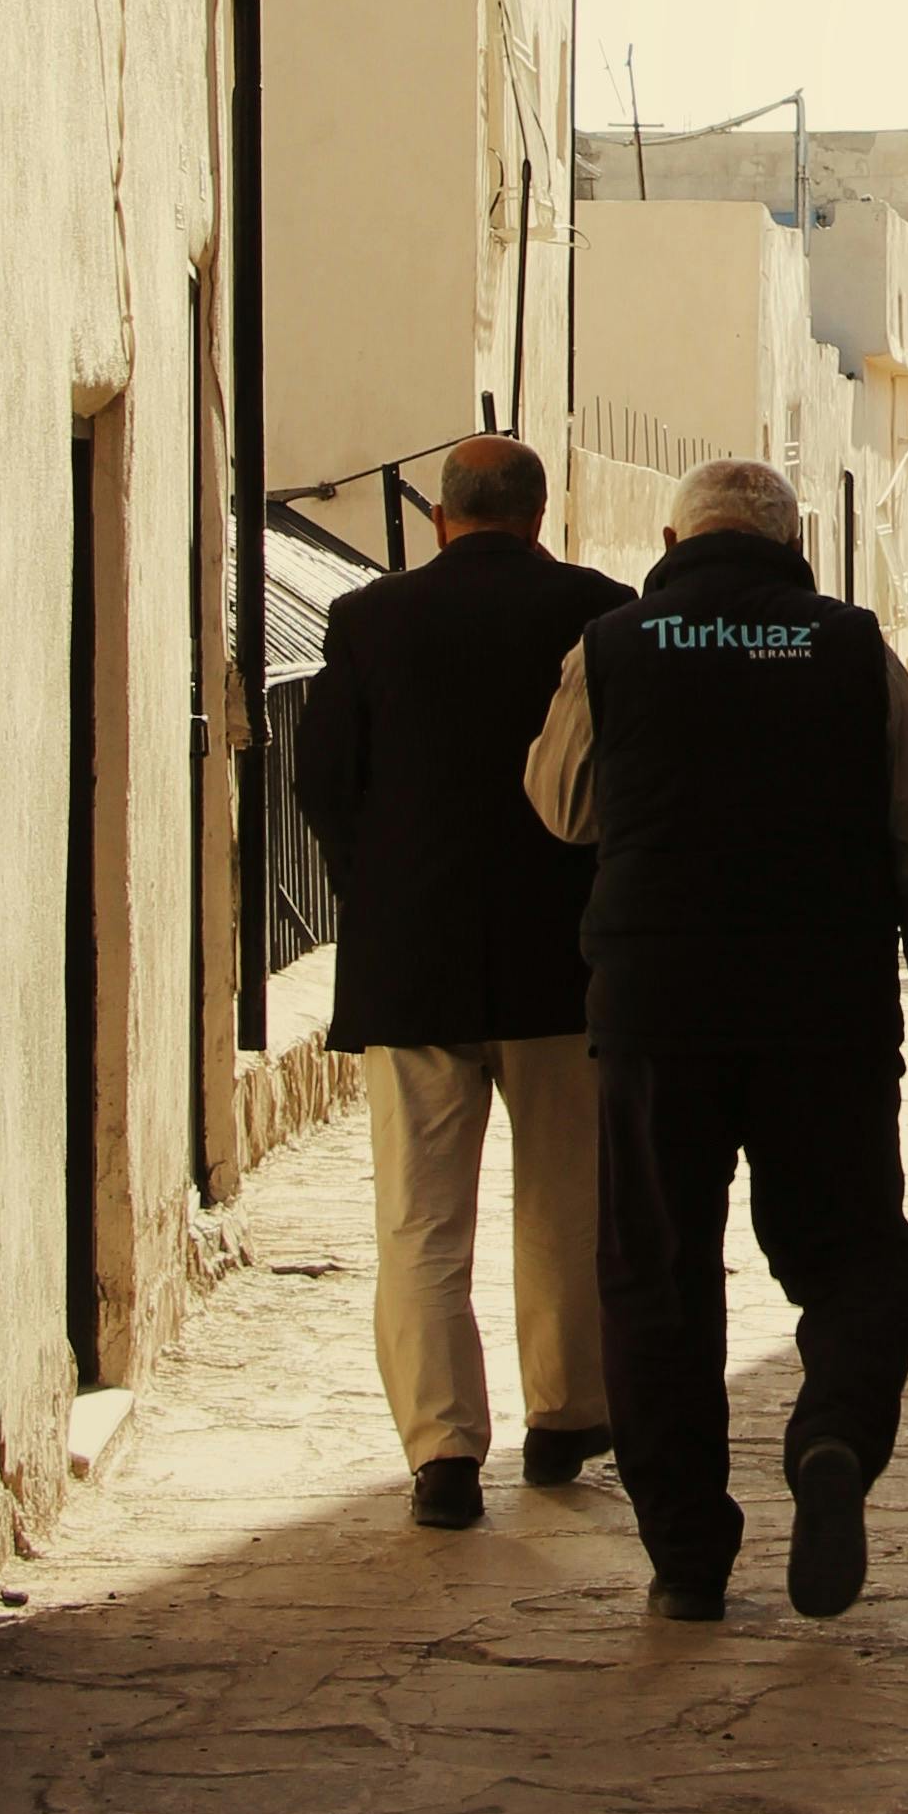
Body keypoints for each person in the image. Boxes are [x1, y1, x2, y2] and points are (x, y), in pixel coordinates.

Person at [525, 458, 908, 1627]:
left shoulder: (613, 646)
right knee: (854, 1258)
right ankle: (831, 1436)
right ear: (794, 544)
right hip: (821, 1009)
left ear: (676, 539)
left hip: (656, 1008)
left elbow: (560, 803)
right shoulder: (853, 651)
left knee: (656, 1277)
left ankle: (687, 1557)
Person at [297, 433, 631, 1531]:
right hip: (561, 959)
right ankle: (566, 1413)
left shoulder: (370, 619)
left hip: (416, 965)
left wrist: (381, 892)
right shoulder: (600, 614)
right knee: (564, 1199)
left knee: (421, 1220)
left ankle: (443, 1451)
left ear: (442, 516)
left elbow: (325, 783)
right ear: (541, 515)